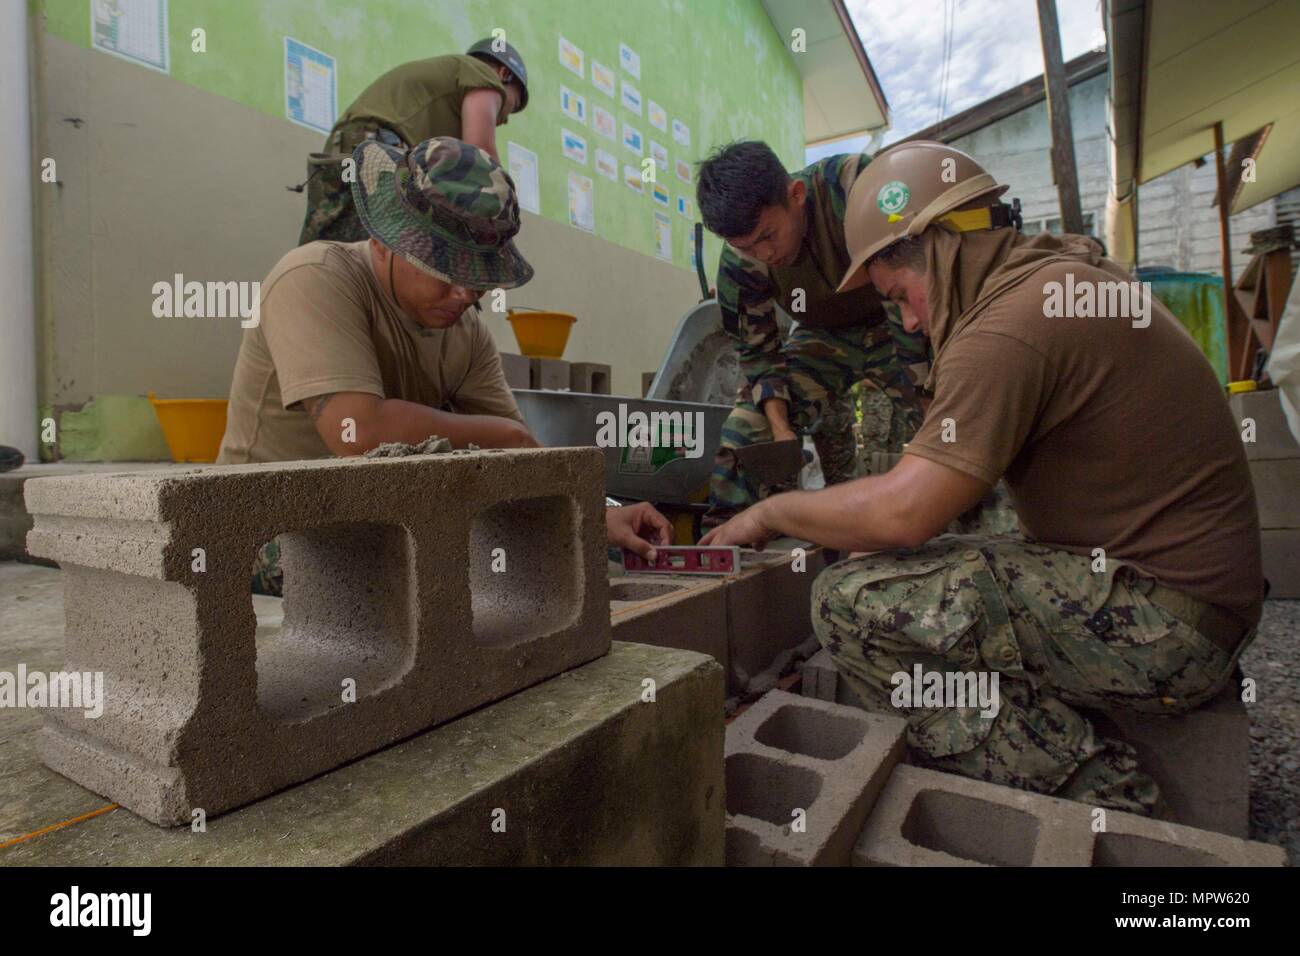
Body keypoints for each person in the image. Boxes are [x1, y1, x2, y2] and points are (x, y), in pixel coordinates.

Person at [703, 141, 1263, 815]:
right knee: (913, 567)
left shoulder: (1006, 328)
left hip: (1171, 629)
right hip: (1180, 595)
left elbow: (906, 512)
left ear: (935, 245)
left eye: (901, 298)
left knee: (847, 603)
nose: (907, 323)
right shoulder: (1048, 276)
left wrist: (773, 513)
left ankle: (1102, 798)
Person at [694, 141, 929, 528]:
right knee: (747, 432)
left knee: (955, 424)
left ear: (796, 196)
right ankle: (731, 557)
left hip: (901, 321)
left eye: (769, 235)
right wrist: (781, 431)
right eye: (747, 246)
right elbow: (757, 353)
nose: (765, 254)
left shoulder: (855, 188)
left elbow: (920, 275)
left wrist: (929, 399)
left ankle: (990, 541)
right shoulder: (743, 260)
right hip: (824, 337)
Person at [298, 39, 529, 244]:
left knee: (325, 261)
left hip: (345, 150)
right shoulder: (483, 75)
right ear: (503, 73)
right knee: (374, 269)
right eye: (514, 104)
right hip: (378, 156)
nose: (505, 119)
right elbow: (482, 161)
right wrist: (508, 211)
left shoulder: (447, 87)